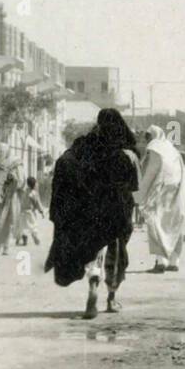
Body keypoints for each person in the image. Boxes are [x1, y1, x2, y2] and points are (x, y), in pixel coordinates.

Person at [46, 108, 140, 318]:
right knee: (116, 254)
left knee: (95, 251)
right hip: (118, 211)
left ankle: (93, 287)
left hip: (91, 210)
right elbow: (134, 186)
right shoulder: (127, 151)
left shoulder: (85, 146)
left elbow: (64, 164)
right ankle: (111, 297)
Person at [135, 124, 185, 272]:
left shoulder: (154, 148)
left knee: (155, 222)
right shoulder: (172, 149)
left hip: (160, 191)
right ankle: (174, 261)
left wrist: (139, 193)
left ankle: (161, 262)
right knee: (174, 224)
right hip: (176, 191)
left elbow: (150, 173)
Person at [0, 169, 22, 254]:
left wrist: (12, 173)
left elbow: (17, 181)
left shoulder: (14, 188)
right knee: (0, 226)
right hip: (3, 207)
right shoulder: (5, 186)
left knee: (8, 227)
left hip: (10, 208)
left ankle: (5, 248)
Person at [16, 176, 45, 246]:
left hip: (22, 212)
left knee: (22, 227)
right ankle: (35, 236)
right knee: (33, 226)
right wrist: (41, 211)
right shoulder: (34, 193)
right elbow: (37, 203)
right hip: (30, 212)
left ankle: (24, 241)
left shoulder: (25, 191)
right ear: (34, 185)